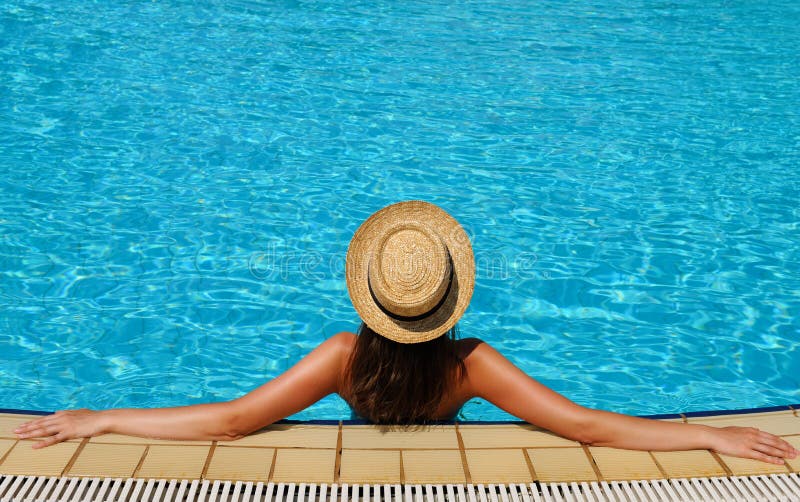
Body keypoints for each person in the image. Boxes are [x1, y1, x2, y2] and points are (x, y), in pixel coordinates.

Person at [14, 201, 798, 466]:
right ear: (450, 301)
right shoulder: (470, 365)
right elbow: (587, 427)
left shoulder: (343, 358)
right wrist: (710, 437)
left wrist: (104, 418)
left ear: (372, 299)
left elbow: (231, 420)